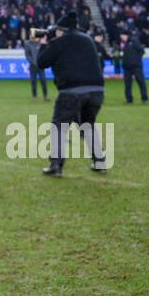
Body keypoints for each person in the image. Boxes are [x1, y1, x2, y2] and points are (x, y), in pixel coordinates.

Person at [37, 13, 107, 176]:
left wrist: (43, 43)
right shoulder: (88, 39)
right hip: (96, 91)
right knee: (87, 125)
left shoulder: (58, 42)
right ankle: (100, 162)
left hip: (71, 91)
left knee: (59, 127)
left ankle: (56, 165)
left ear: (61, 29)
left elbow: (41, 62)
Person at [121, 31, 148, 104]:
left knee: (141, 82)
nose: (121, 37)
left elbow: (142, 51)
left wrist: (135, 59)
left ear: (126, 35)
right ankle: (129, 99)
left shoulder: (134, 41)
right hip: (127, 67)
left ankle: (144, 98)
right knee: (127, 84)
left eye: (122, 36)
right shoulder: (125, 43)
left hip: (136, 66)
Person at [23, 31, 48, 100]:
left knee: (43, 80)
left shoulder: (41, 44)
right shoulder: (27, 44)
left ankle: (45, 96)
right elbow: (27, 55)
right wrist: (33, 62)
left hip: (40, 65)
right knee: (33, 81)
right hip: (33, 66)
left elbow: (44, 53)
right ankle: (34, 96)